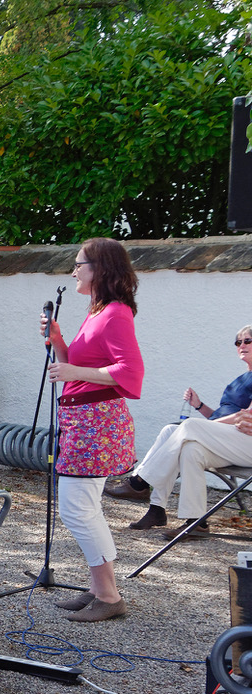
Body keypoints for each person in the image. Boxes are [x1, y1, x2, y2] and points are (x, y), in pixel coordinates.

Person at [40, 238, 143, 622]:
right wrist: (58, 342)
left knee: (77, 509)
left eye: (79, 264)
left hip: (95, 426)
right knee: (86, 509)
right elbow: (78, 366)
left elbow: (130, 374)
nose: (73, 271)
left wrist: (72, 371)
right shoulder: (98, 311)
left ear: (99, 268)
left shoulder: (116, 313)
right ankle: (100, 589)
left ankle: (108, 594)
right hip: (84, 423)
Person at [106, 326, 252, 539]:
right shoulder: (240, 379)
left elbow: (245, 417)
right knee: (186, 444)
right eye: (238, 342)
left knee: (189, 426)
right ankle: (186, 519)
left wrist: (212, 425)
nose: (242, 345)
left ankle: (139, 483)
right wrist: (200, 406)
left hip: (246, 442)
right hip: (228, 439)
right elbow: (223, 417)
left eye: (248, 340)